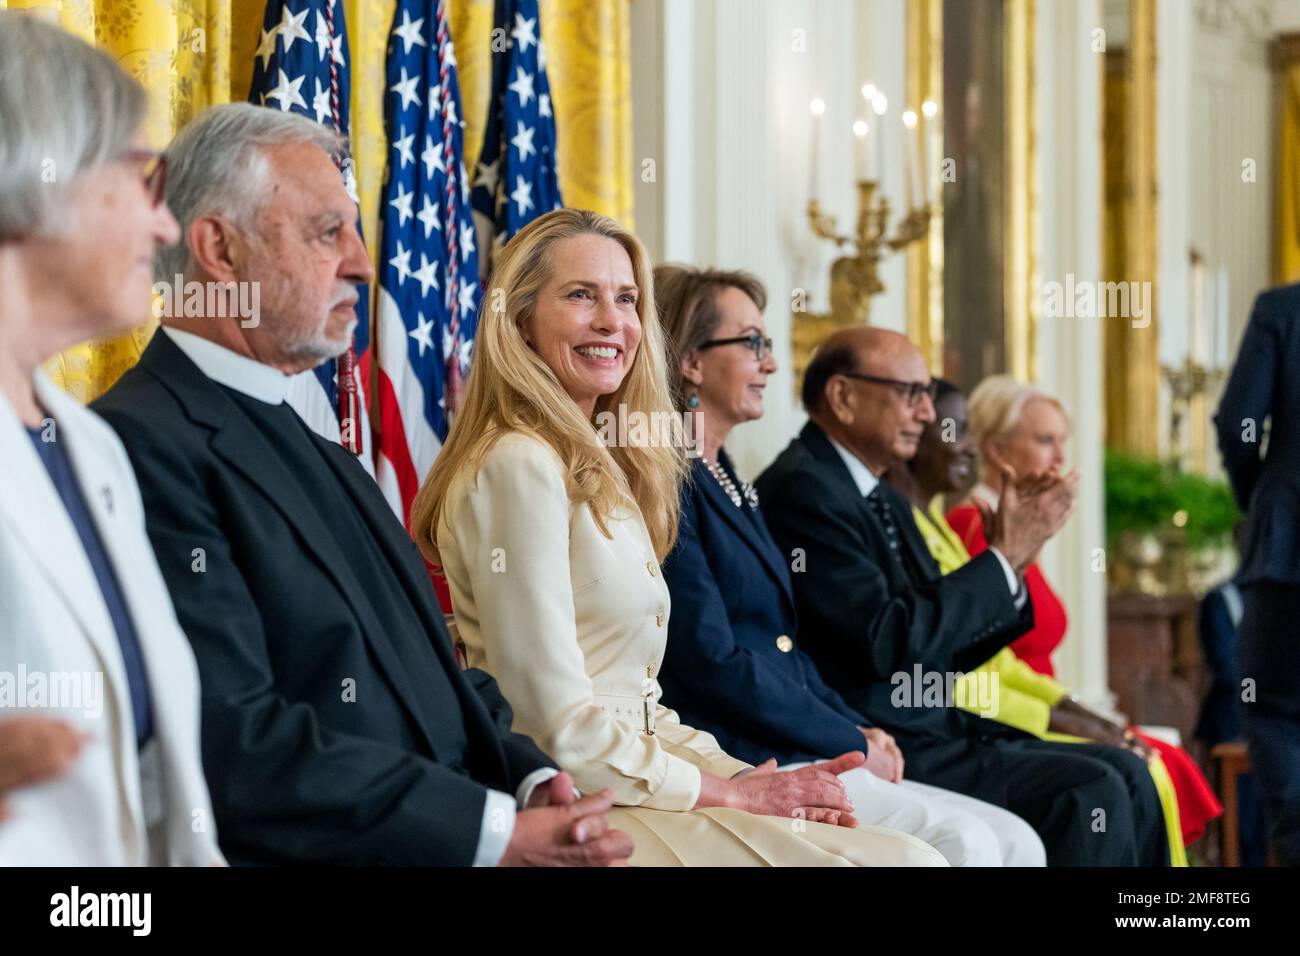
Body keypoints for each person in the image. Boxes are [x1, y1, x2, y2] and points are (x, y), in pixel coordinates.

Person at [92, 103, 631, 867]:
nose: (361, 263)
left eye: (355, 231)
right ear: (219, 248)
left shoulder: (327, 449)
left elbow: (437, 672)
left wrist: (535, 778)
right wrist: (493, 834)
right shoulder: (140, 443)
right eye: (326, 233)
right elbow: (234, 738)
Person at [415, 210, 945, 866]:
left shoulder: (606, 466)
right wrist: (729, 794)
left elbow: (641, 706)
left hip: (637, 782)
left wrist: (754, 781)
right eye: (581, 296)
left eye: (628, 299)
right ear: (519, 317)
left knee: (902, 850)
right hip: (574, 802)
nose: (613, 321)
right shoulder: (518, 461)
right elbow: (552, 722)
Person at [651, 264, 1044, 865]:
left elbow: (788, 648)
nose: (771, 365)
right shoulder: (670, 482)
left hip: (809, 736)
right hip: (743, 751)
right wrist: (848, 738)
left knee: (1017, 840)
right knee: (968, 842)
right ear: (691, 362)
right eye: (751, 343)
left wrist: (857, 727)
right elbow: (712, 661)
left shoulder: (728, 478)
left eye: (769, 345)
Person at [756, 327, 1169, 866]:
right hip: (888, 739)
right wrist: (1001, 559)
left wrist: (1012, 559)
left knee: (1130, 771)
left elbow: (944, 643)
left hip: (936, 721)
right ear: (843, 396)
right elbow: (884, 643)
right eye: (912, 394)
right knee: (1090, 790)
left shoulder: (879, 492)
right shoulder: (804, 489)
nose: (928, 414)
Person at [0, 12, 222, 865]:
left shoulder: (90, 448)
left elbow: (158, 783)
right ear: (34, 167)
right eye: (141, 178)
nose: (166, 229)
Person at [890, 377, 1220, 865]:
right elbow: (958, 666)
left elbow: (997, 658)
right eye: (1046, 440)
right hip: (971, 718)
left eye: (1063, 441)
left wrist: (1081, 712)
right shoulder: (968, 522)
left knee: (1138, 763)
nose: (968, 446)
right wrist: (1060, 716)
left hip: (1012, 703)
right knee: (1123, 773)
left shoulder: (946, 522)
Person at [1216, 283, 1300, 865]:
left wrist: (1267, 503)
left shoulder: (1281, 309)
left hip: (1287, 556)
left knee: (1276, 711)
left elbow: (1239, 425)